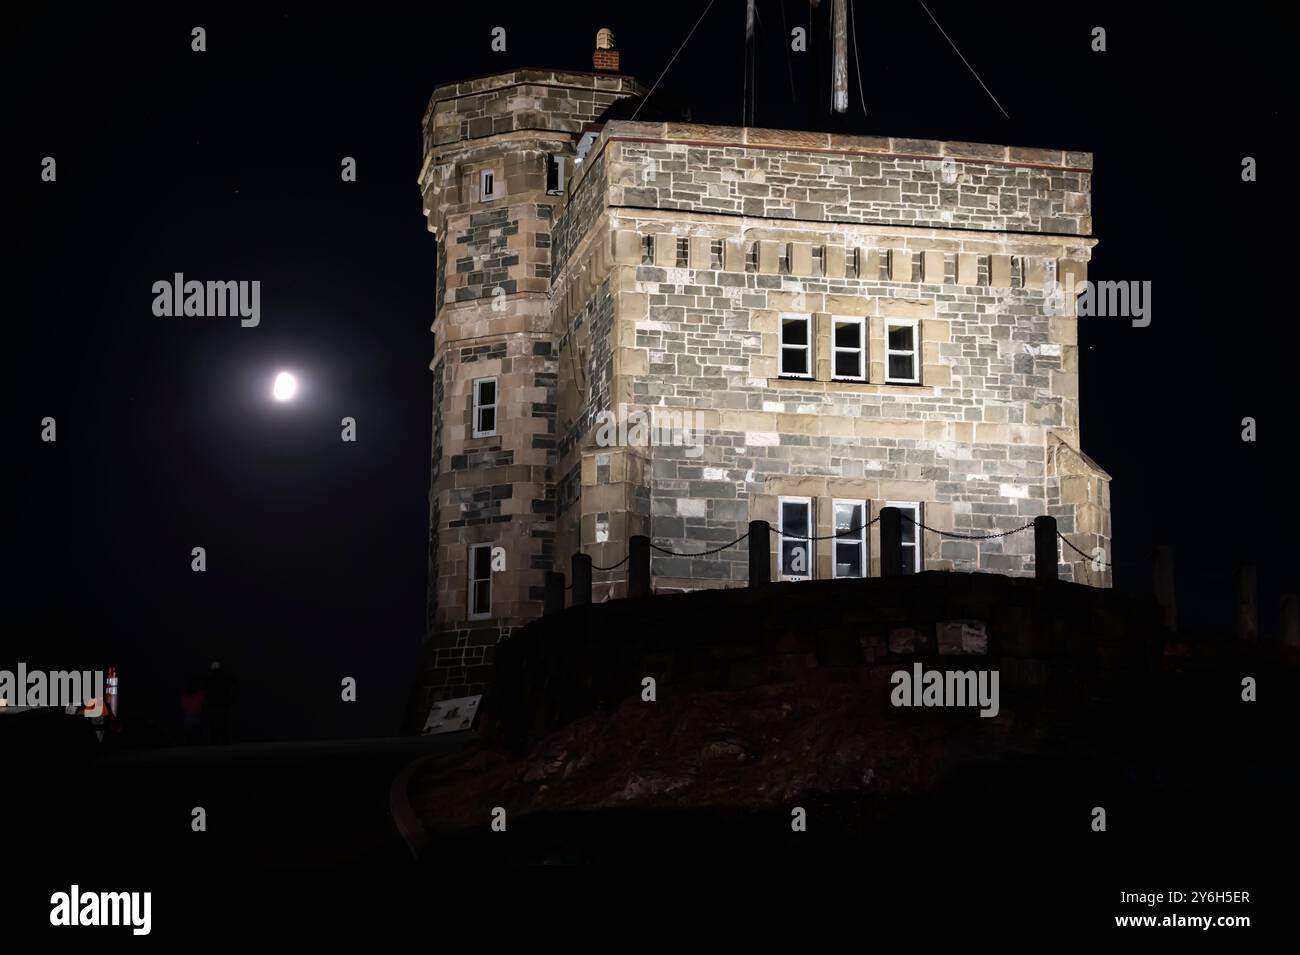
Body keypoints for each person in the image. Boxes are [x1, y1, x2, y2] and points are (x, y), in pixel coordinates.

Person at [204, 661, 234, 744]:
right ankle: (224, 743)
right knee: (224, 726)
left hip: (214, 706)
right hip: (222, 706)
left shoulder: (209, 680)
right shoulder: (224, 678)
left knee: (214, 726)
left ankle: (215, 744)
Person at [179, 677, 206, 745]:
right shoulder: (200, 694)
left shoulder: (186, 695)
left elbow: (183, 707)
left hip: (190, 718)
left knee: (191, 739)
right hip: (194, 717)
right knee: (194, 739)